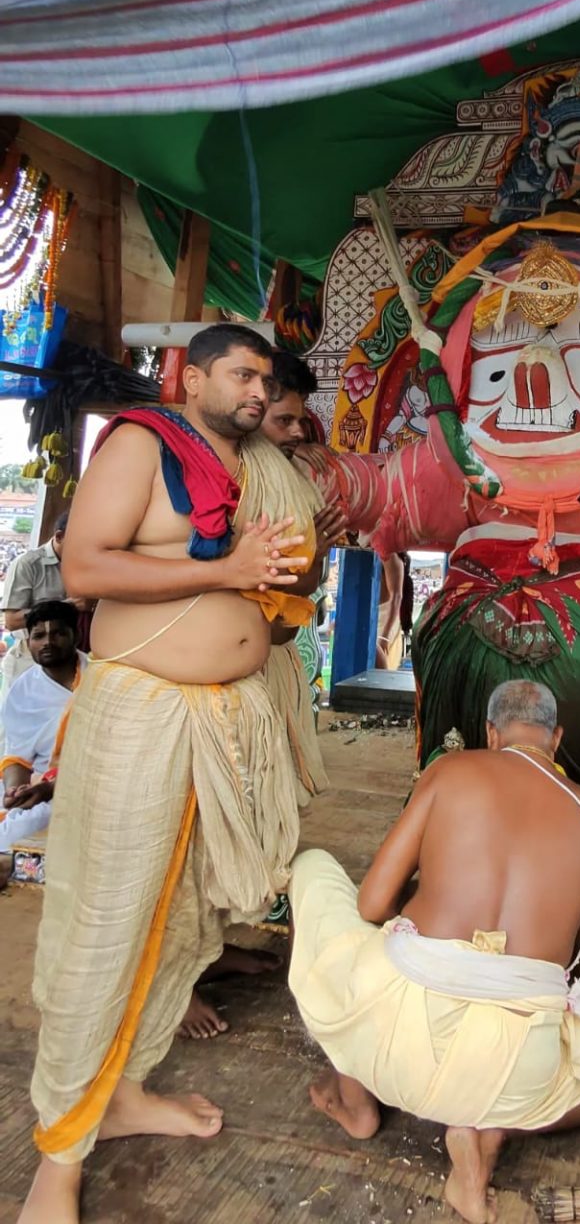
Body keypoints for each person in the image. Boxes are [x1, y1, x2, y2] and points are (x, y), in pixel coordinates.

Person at [18, 323, 326, 1224]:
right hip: (140, 719)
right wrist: (231, 566)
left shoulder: (255, 464)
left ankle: (119, 1096)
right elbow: (82, 567)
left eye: (265, 381)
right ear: (187, 376)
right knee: (106, 923)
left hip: (211, 727)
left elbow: (260, 590)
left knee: (180, 915)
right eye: (239, 374)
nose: (257, 394)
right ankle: (58, 1153)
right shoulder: (144, 445)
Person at [289, 680, 580, 1224]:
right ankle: (487, 1135)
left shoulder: (451, 771)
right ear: (556, 738)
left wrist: (419, 908)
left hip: (394, 1041)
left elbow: (373, 902)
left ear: (491, 734)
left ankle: (357, 1100)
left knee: (316, 877)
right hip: (516, 1066)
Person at [259, 351, 345, 806]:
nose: (296, 432)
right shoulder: (246, 477)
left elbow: (303, 582)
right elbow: (285, 579)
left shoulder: (290, 477)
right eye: (284, 421)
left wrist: (319, 554)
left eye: (300, 422)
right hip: (249, 658)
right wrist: (314, 557)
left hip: (276, 652)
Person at [0, 602, 86, 886]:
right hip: (40, 785)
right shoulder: (22, 690)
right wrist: (17, 790)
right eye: (39, 635)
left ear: (75, 635)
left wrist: (53, 787)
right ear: (29, 641)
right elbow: (17, 757)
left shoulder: (102, 679)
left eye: (58, 633)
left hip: (92, 785)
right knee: (17, 821)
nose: (48, 641)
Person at [1, 512, 78, 702]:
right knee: (19, 722)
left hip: (66, 661)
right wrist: (67, 606)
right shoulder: (28, 564)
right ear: (59, 537)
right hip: (29, 659)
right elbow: (12, 621)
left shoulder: (83, 566)